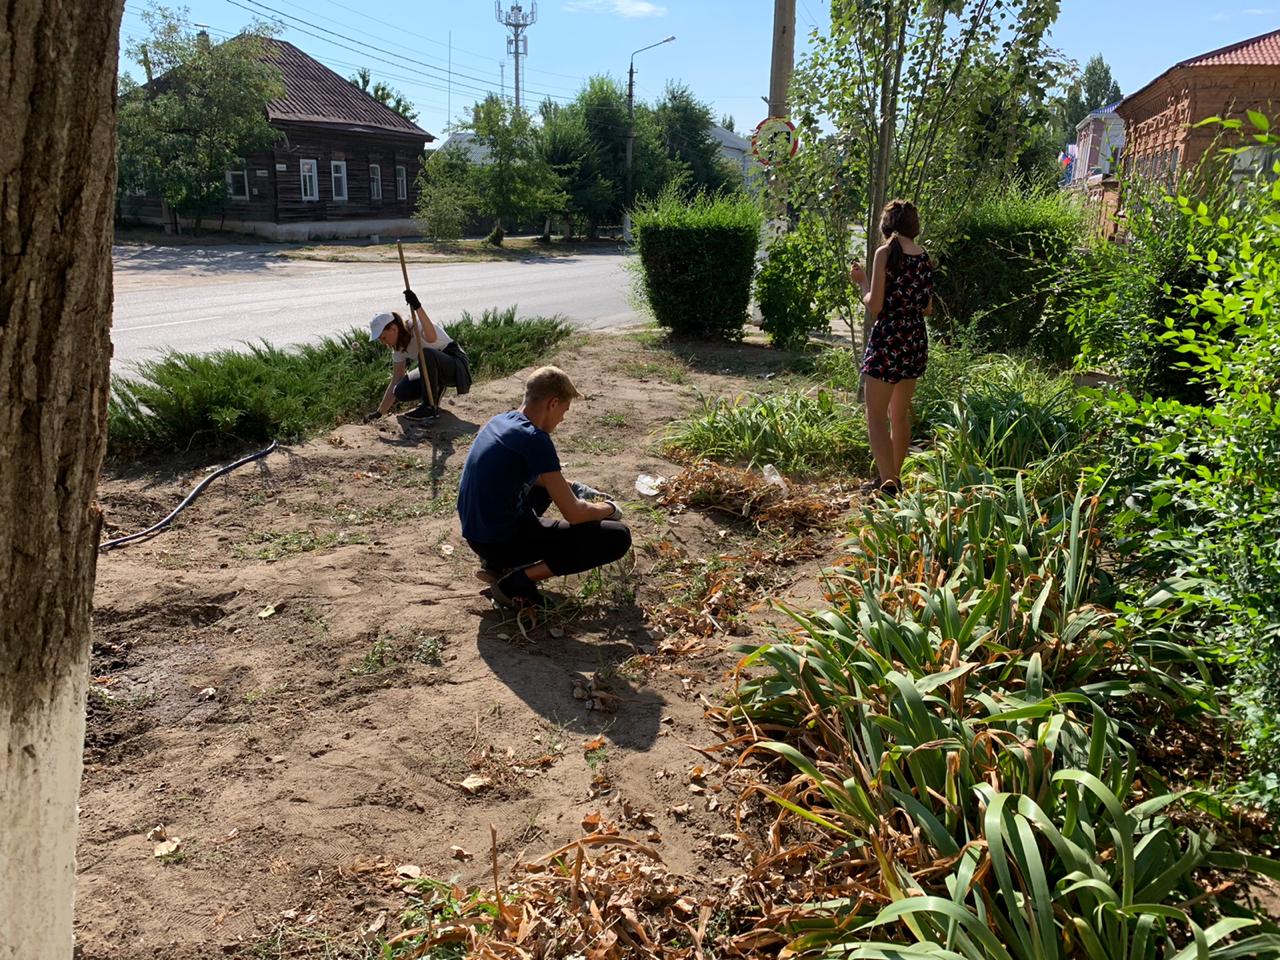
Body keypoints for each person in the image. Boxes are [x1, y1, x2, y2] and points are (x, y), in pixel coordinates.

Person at [457, 366, 632, 609]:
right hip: (499, 541)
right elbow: (574, 513)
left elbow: (535, 477)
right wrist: (608, 508)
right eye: (564, 410)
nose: (562, 418)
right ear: (553, 403)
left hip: (478, 534)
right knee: (617, 536)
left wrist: (574, 486)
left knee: (545, 489)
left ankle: (496, 565)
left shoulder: (500, 421)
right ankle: (516, 582)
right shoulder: (536, 440)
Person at [850, 199, 934, 497]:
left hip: (888, 340)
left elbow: (875, 306)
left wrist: (862, 283)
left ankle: (887, 483)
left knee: (875, 414)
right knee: (899, 414)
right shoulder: (924, 257)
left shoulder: (885, 253)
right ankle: (893, 479)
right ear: (914, 225)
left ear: (887, 225)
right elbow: (927, 308)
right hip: (914, 340)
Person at [368, 288, 470, 420]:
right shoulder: (398, 347)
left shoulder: (417, 326)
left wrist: (417, 306)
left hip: (455, 364)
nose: (383, 342)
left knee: (426, 354)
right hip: (433, 368)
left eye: (383, 337)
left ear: (393, 329)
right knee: (400, 391)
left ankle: (429, 407)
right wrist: (379, 413)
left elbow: (432, 337)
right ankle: (435, 392)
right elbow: (396, 379)